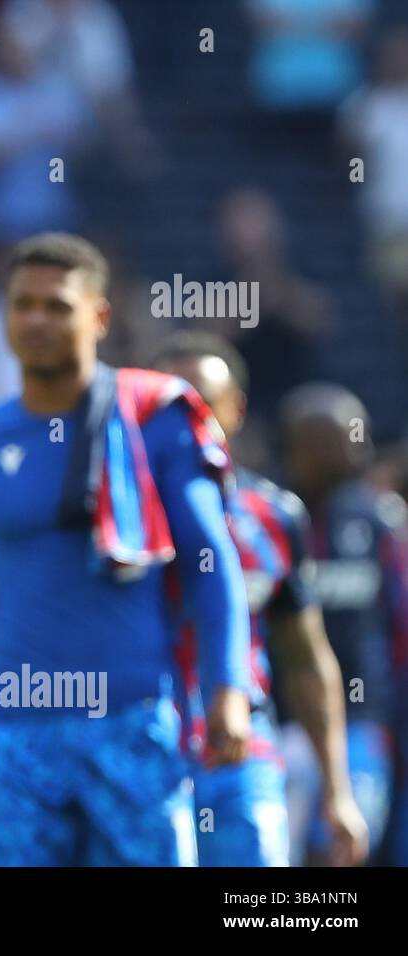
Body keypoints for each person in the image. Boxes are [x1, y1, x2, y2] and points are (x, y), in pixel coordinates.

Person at [0, 232, 252, 866]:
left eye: (57, 305)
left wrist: (226, 688)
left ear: (98, 316)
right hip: (13, 733)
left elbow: (213, 563)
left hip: (132, 719)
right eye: (23, 304)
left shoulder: (157, 419)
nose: (37, 320)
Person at [153, 332, 367, 867]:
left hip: (243, 755)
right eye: (173, 404)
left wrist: (337, 790)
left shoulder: (273, 515)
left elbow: (306, 655)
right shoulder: (118, 518)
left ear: (237, 410)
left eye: (205, 403)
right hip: (143, 754)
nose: (189, 421)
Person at [278, 382, 408, 864]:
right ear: (306, 444)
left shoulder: (380, 522)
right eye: (348, 437)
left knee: (347, 845)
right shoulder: (268, 517)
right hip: (280, 721)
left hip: (361, 718)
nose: (363, 448)